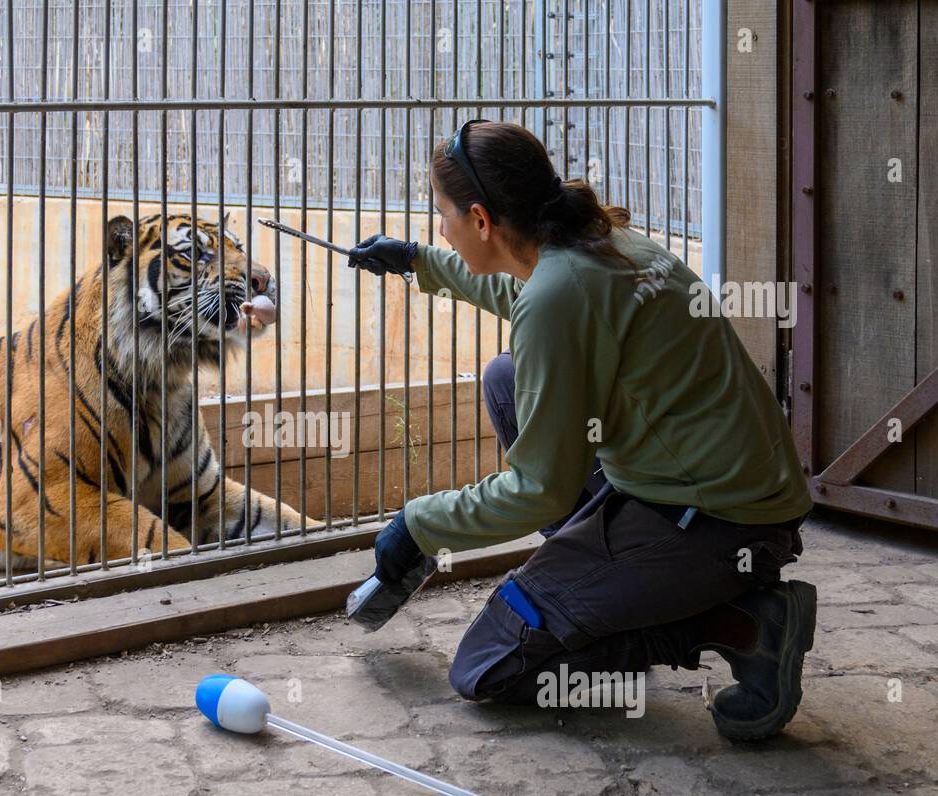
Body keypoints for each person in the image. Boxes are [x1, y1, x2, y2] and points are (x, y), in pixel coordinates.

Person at [346, 119, 816, 741]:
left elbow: (536, 490)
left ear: (482, 220)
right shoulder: (600, 242)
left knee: (490, 668)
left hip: (711, 522)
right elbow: (521, 290)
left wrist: (418, 523)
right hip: (720, 495)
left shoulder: (559, 293)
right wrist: (417, 262)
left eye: (441, 215)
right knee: (507, 378)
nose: (439, 227)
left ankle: (743, 622)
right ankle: (604, 583)